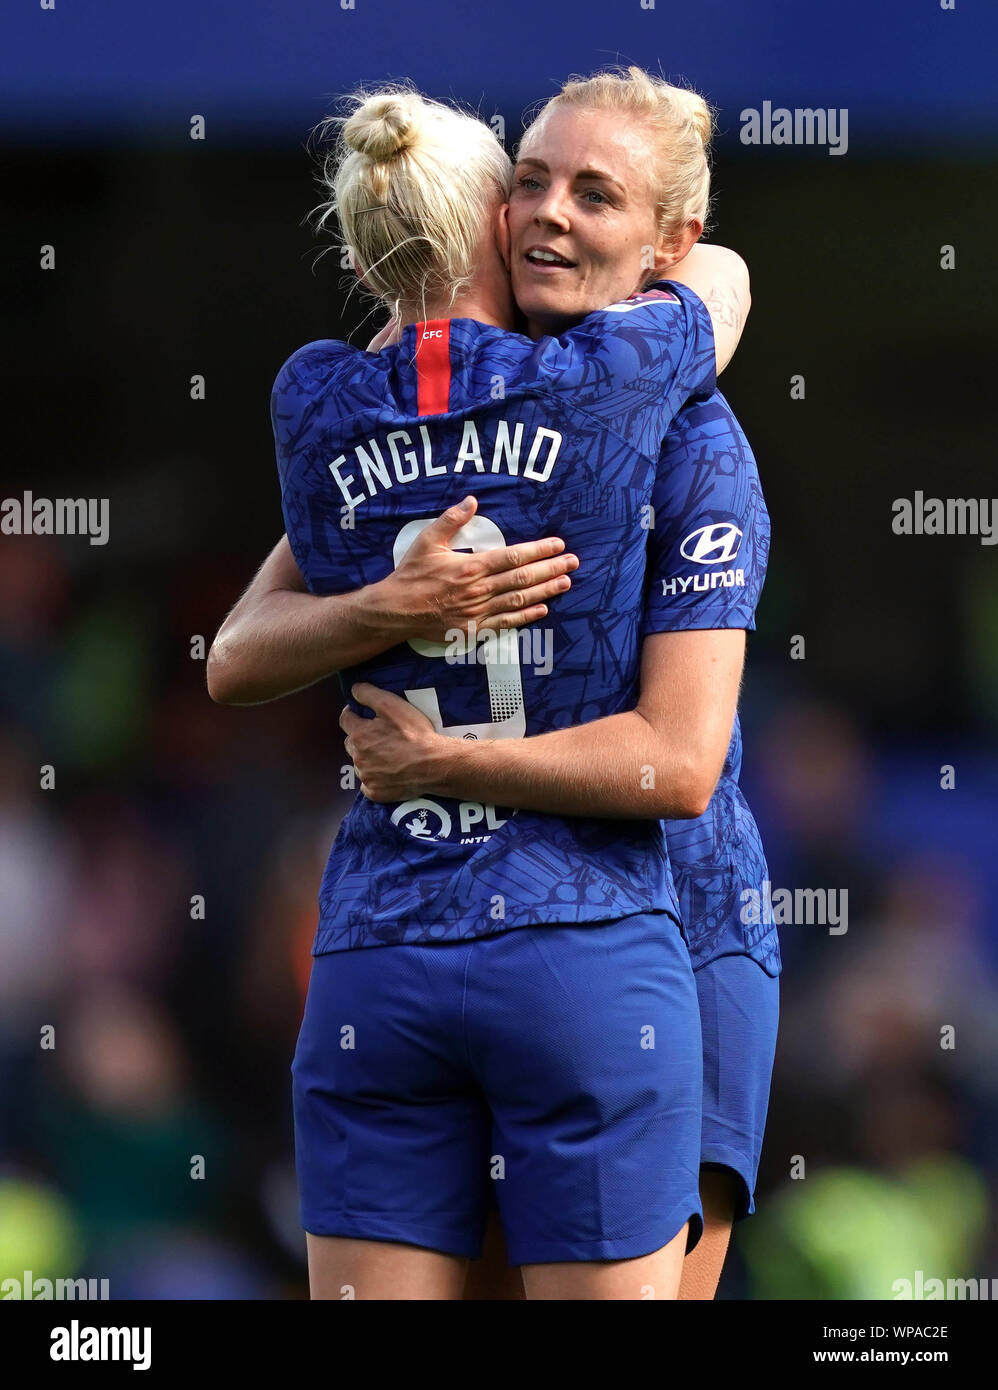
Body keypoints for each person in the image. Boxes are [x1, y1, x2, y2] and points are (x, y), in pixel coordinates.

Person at [210, 73, 761, 1300]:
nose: (548, 213)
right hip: (565, 949)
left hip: (667, 905)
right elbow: (241, 650)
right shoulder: (541, 398)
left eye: (592, 193)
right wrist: (387, 605)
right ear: (481, 216)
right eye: (527, 181)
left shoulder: (688, 441)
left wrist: (441, 756)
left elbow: (676, 764)